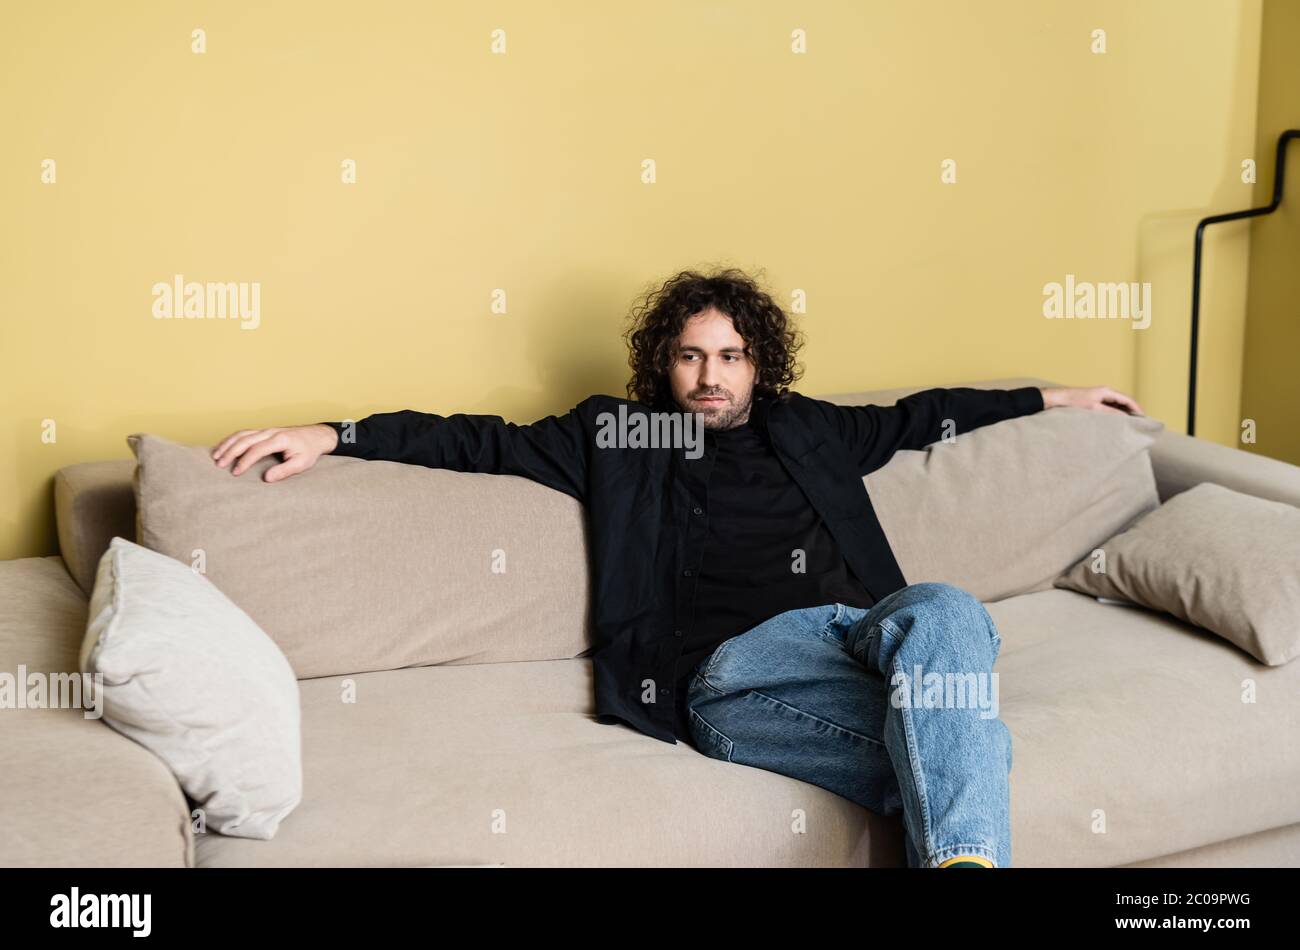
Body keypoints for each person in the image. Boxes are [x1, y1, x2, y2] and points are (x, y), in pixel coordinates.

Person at [210, 267, 1143, 868]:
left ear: (758, 365)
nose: (709, 376)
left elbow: (924, 412)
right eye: (691, 356)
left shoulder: (811, 427)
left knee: (946, 623)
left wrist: (1056, 395)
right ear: (662, 365)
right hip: (728, 679)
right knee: (968, 741)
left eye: (730, 357)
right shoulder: (621, 434)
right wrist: (334, 432)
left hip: (855, 653)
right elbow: (474, 440)